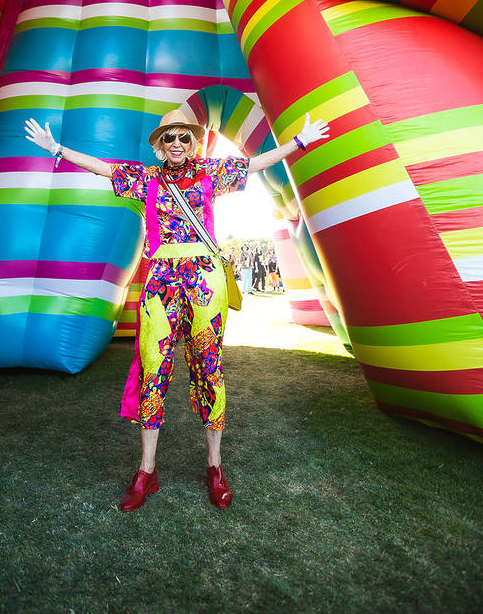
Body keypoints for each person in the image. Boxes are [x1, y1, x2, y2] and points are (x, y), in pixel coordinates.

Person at [25, 107, 330, 511]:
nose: (177, 144)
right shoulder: (145, 179)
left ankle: (215, 466)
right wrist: (57, 148)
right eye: (169, 138)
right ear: (159, 145)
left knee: (209, 369)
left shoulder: (210, 175)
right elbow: (101, 168)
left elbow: (254, 163)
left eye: (184, 137)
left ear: (193, 142)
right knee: (154, 369)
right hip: (162, 280)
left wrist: (299, 143)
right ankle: (146, 471)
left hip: (205, 281)